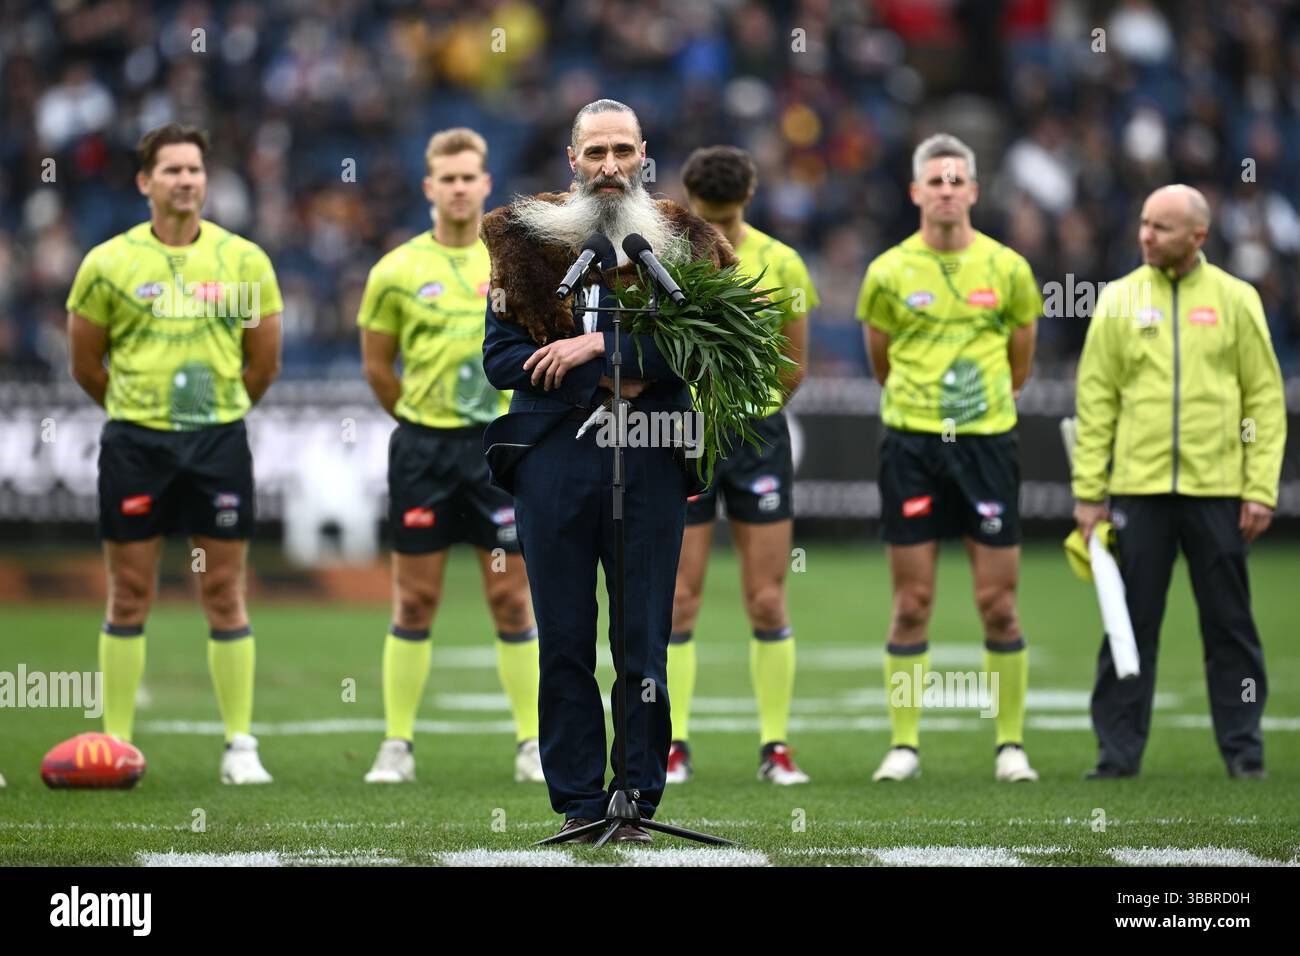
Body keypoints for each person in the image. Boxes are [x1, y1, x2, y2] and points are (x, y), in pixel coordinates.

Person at [479, 99, 737, 843]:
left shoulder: (687, 240)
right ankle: (578, 803)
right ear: (572, 159)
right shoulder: (521, 238)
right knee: (562, 638)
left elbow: (716, 352)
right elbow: (499, 360)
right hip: (552, 456)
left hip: (653, 454)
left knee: (643, 640)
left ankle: (636, 802)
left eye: (623, 150)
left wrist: (601, 354)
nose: (610, 166)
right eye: (595, 152)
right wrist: (600, 379)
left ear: (645, 155)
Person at [66, 123, 282, 783]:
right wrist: (140, 414)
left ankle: (240, 745)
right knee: (128, 593)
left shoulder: (243, 260)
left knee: (223, 591)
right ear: (144, 181)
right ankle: (116, 745)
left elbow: (262, 362)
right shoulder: (108, 263)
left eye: (194, 169)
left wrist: (212, 415)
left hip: (217, 443)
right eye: (172, 170)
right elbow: (85, 363)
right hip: (135, 443)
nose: (186, 180)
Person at [1072, 184, 1285, 780]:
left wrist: (1259, 486)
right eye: (1143, 223)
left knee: (1230, 628)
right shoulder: (1116, 300)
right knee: (1127, 628)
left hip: (1217, 490)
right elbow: (1096, 403)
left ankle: (1244, 753)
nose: (1145, 235)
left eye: (1161, 227)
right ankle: (1117, 756)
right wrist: (1090, 492)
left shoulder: (1236, 300)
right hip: (1137, 493)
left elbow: (1264, 401)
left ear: (1198, 236)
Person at [357, 128, 543, 785]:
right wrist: (419, 420)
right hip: (423, 451)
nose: (460, 188)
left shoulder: (515, 262)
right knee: (414, 603)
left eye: (470, 177)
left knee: (512, 601)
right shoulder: (397, 270)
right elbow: (379, 367)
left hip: (498, 450)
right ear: (428, 187)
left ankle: (530, 743)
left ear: (486, 184)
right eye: (448, 178)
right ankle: (397, 745)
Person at [856, 133, 1042, 783]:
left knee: (999, 603)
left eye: (955, 180)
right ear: (915, 192)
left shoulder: (1009, 268)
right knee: (912, 602)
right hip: (911, 444)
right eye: (933, 181)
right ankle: (904, 745)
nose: (945, 190)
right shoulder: (886, 272)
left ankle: (1010, 746)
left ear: (973, 190)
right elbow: (880, 362)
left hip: (988, 444)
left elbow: (1020, 364)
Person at [665, 145, 817, 786]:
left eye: (728, 220)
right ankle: (671, 746)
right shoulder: (664, 253)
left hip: (755, 434)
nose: (720, 233)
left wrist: (742, 407)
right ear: (688, 203)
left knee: (765, 597)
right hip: (684, 436)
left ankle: (775, 748)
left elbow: (793, 363)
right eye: (709, 218)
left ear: (749, 200)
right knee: (677, 601)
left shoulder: (781, 262)